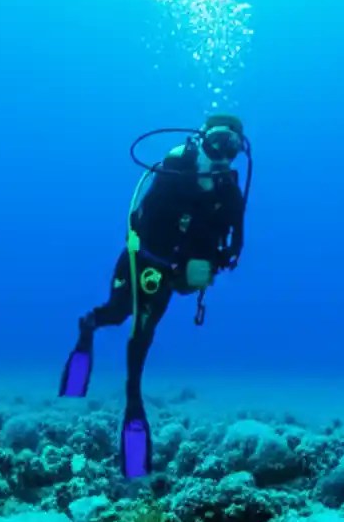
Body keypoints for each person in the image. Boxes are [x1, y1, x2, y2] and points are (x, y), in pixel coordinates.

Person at [58, 113, 249, 478]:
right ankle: (96, 344)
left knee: (143, 333)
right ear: (202, 139)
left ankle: (132, 400)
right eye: (219, 141)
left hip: (174, 275)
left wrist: (211, 266)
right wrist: (179, 266)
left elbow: (234, 247)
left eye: (233, 146)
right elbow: (145, 226)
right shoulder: (174, 171)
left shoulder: (229, 191)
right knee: (119, 316)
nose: (224, 153)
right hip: (143, 262)